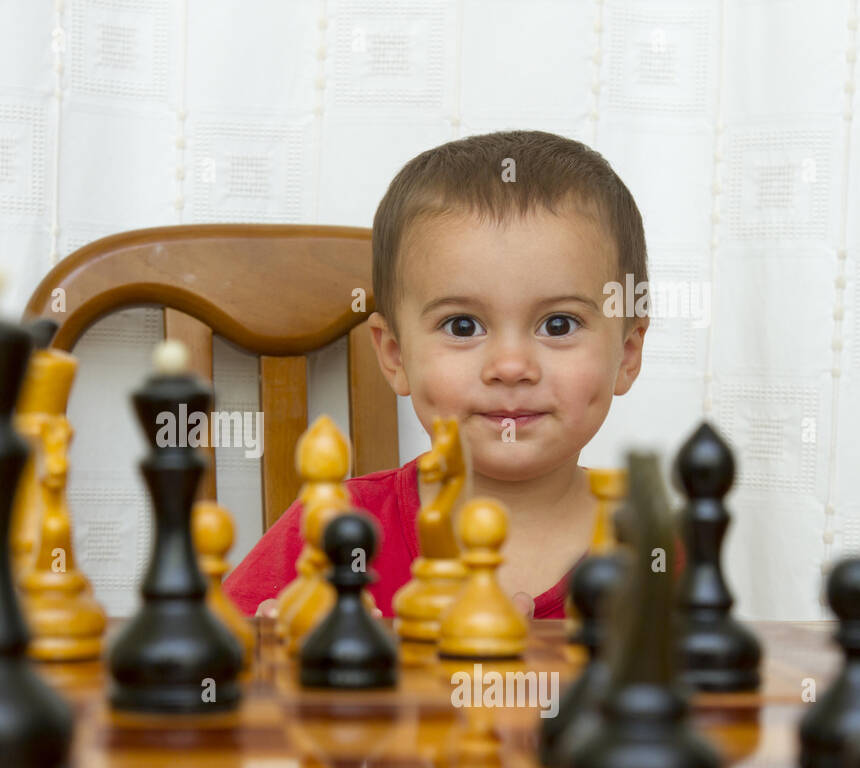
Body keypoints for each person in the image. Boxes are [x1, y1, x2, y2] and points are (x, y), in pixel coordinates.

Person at [223, 130, 651, 621]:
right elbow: (208, 673)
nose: (510, 367)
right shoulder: (331, 527)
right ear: (395, 355)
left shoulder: (650, 543)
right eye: (462, 326)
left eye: (559, 325)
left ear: (627, 352)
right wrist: (273, 665)